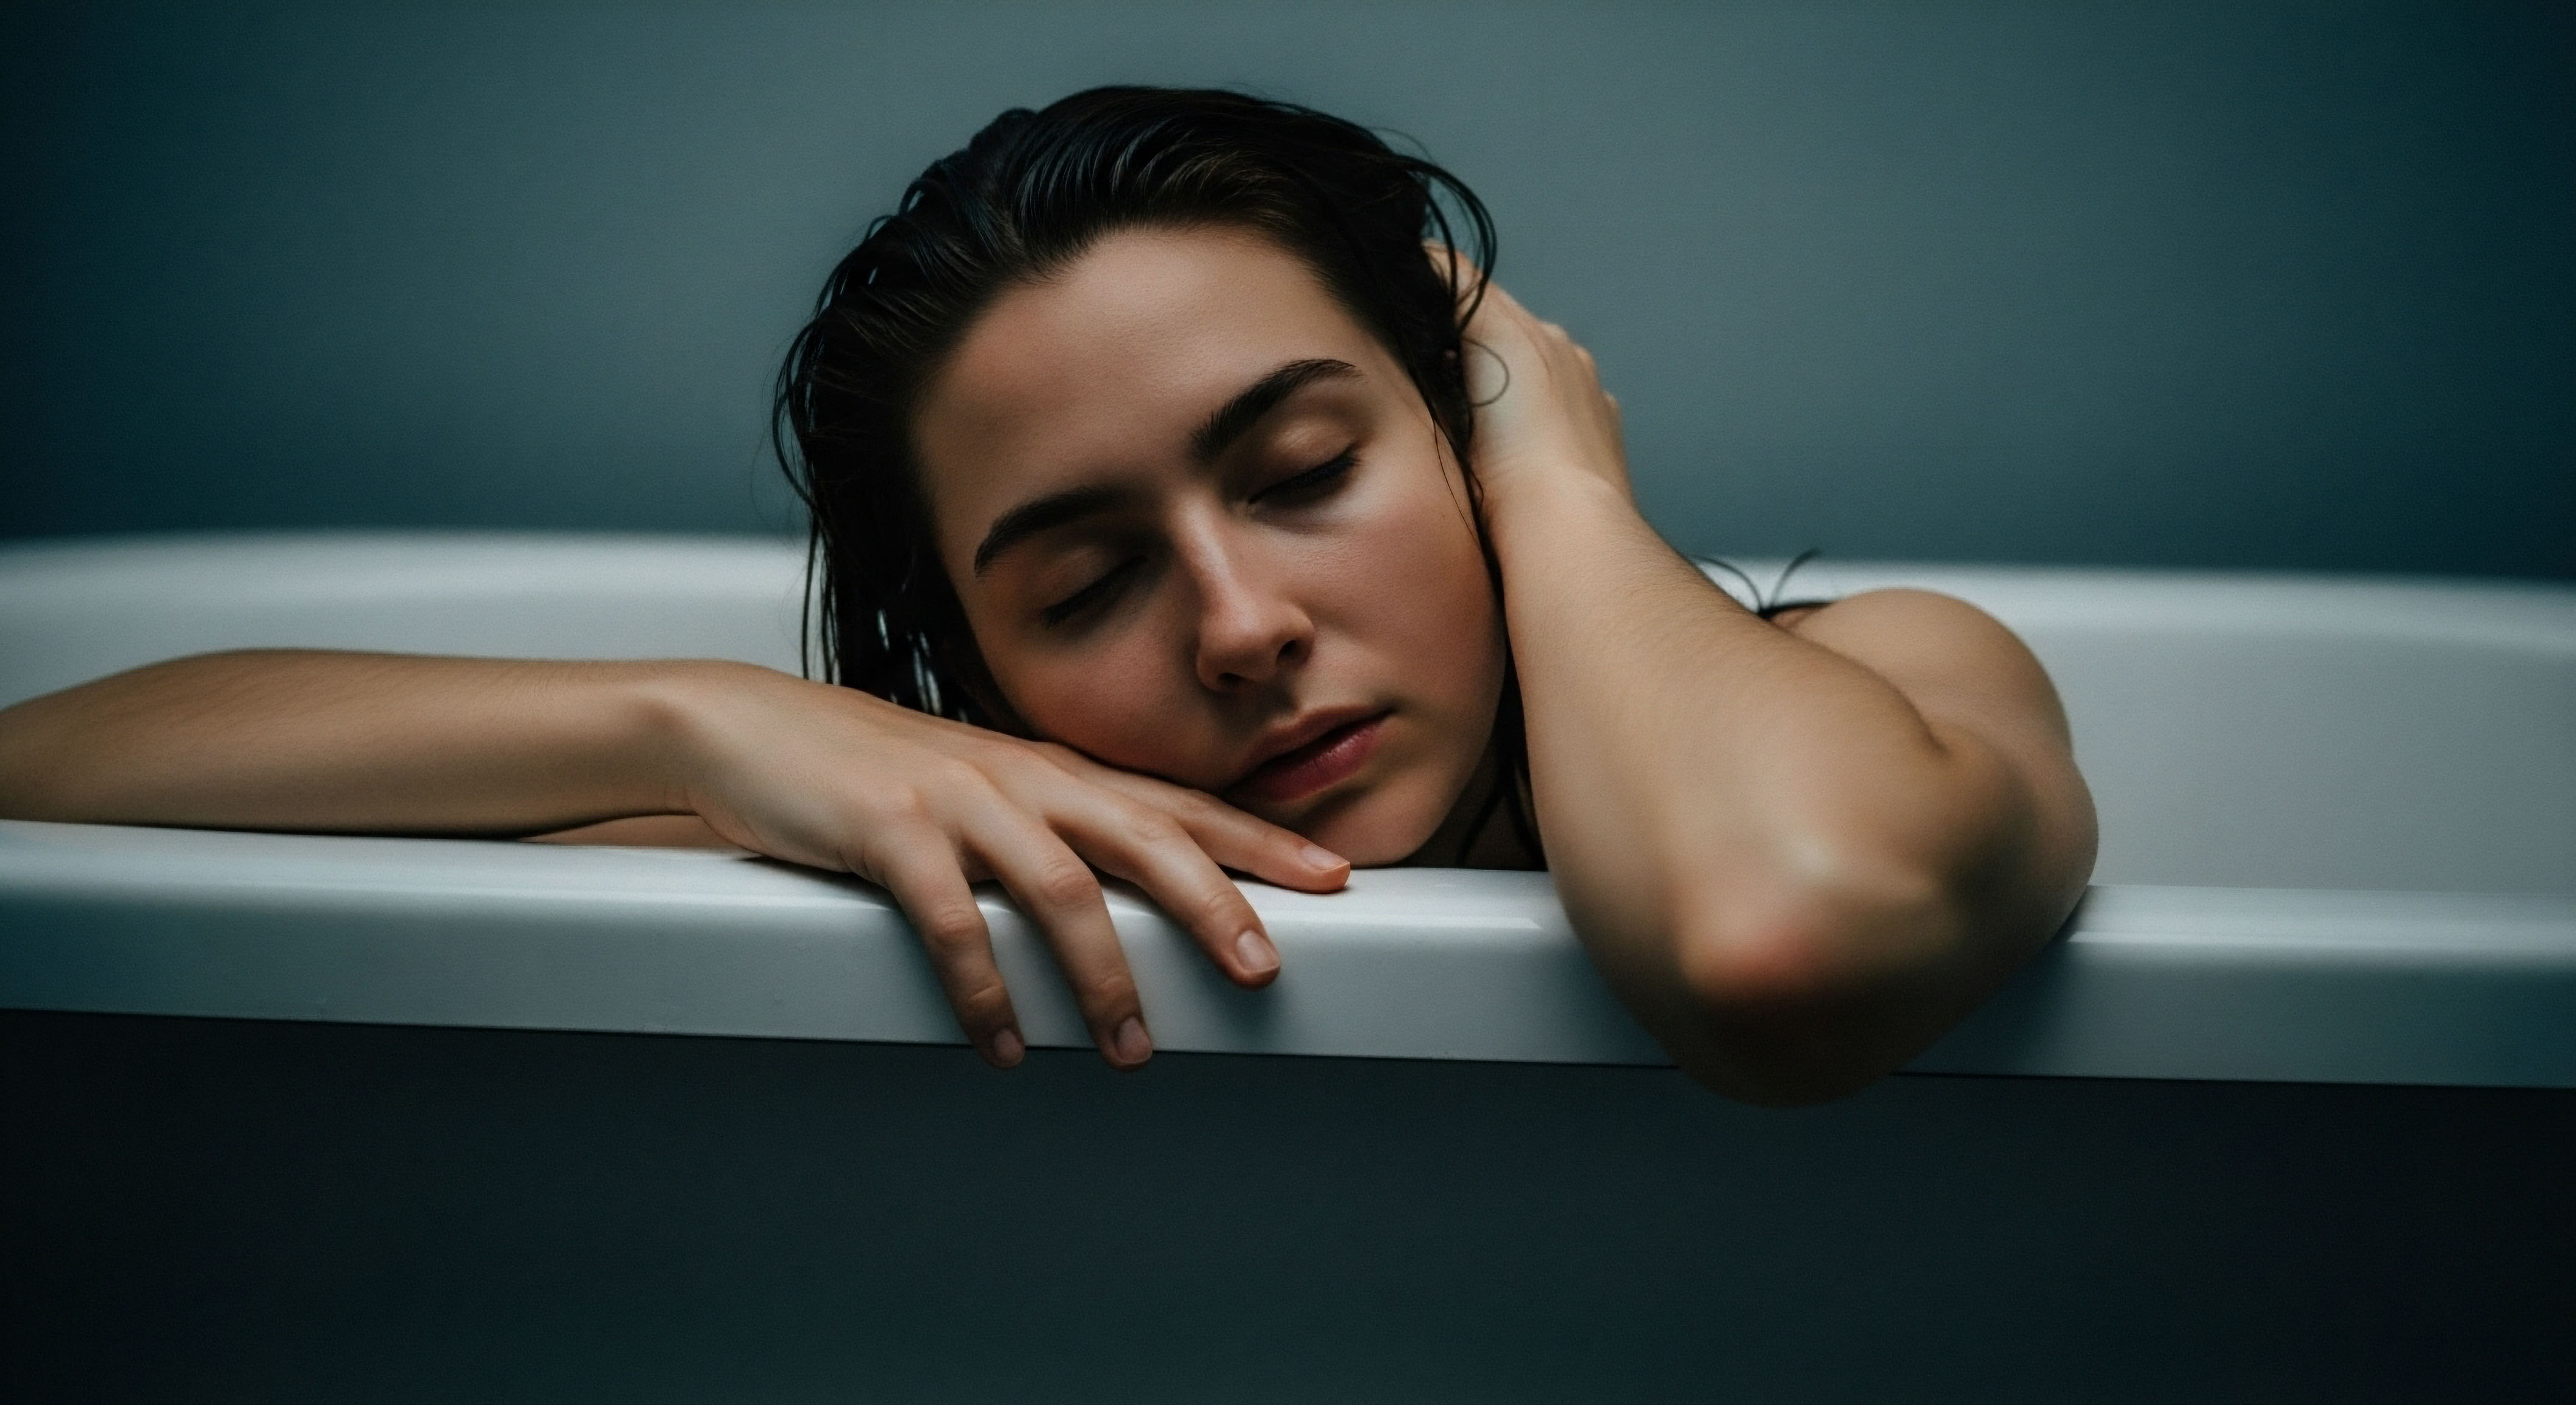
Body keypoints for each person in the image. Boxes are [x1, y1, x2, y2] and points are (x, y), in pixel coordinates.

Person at [0, 88, 2095, 1104]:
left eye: (1304, 472)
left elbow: (1775, 933)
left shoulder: (1885, 686)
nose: (1240, 623)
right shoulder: (1010, 843)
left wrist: (1547, 466)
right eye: (1083, 582)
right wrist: (713, 724)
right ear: (978, 661)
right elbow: (46, 773)